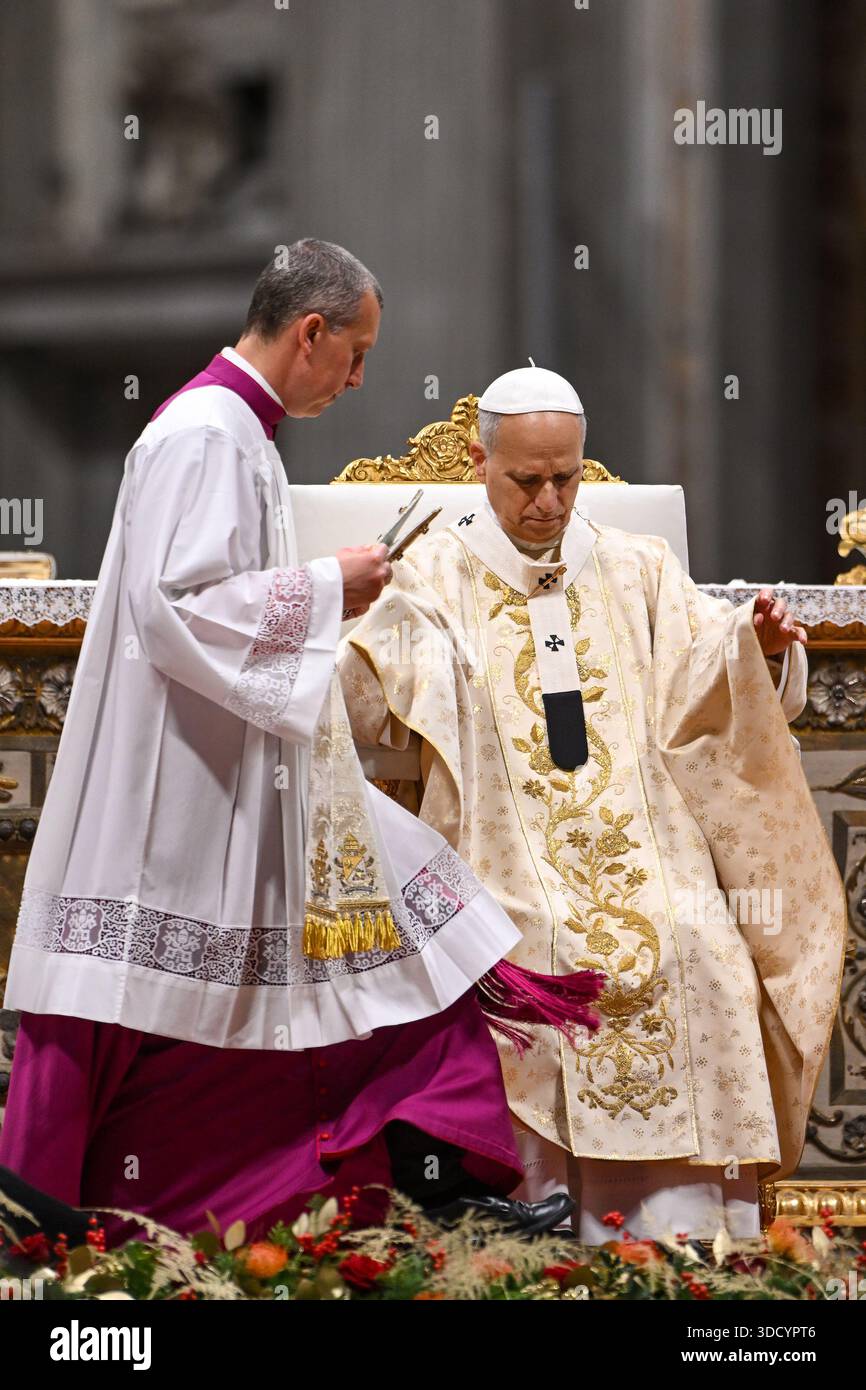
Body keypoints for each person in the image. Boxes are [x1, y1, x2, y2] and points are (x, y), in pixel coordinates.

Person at [0, 251, 580, 1246]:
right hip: (192, 772)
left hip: (234, 755)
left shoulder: (229, 431)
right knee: (388, 939)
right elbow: (177, 607)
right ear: (308, 333)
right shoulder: (206, 436)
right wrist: (324, 586)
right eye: (353, 355)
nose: (356, 381)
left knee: (410, 939)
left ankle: (411, 1185)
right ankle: (62, 1217)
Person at [338, 364, 848, 1242]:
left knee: (698, 936)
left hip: (655, 851)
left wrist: (753, 649)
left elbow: (706, 686)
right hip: (494, 854)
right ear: (478, 462)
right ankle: (536, 1245)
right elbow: (362, 706)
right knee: (533, 936)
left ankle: (686, 1244)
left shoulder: (637, 567)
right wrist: (370, 637)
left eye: (565, 478)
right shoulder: (432, 575)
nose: (548, 501)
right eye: (525, 480)